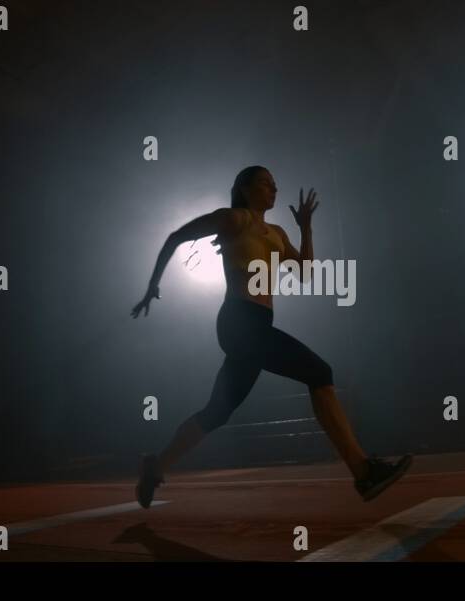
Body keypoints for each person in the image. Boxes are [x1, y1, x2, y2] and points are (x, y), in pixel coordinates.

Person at [131, 165, 412, 507]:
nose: (274, 190)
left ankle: (155, 467)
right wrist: (152, 286)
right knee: (320, 373)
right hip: (239, 321)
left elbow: (306, 273)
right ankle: (363, 471)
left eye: (275, 185)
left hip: (257, 326)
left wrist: (305, 227)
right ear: (245, 189)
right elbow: (176, 236)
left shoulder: (277, 233)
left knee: (217, 412)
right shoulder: (234, 220)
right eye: (265, 183)